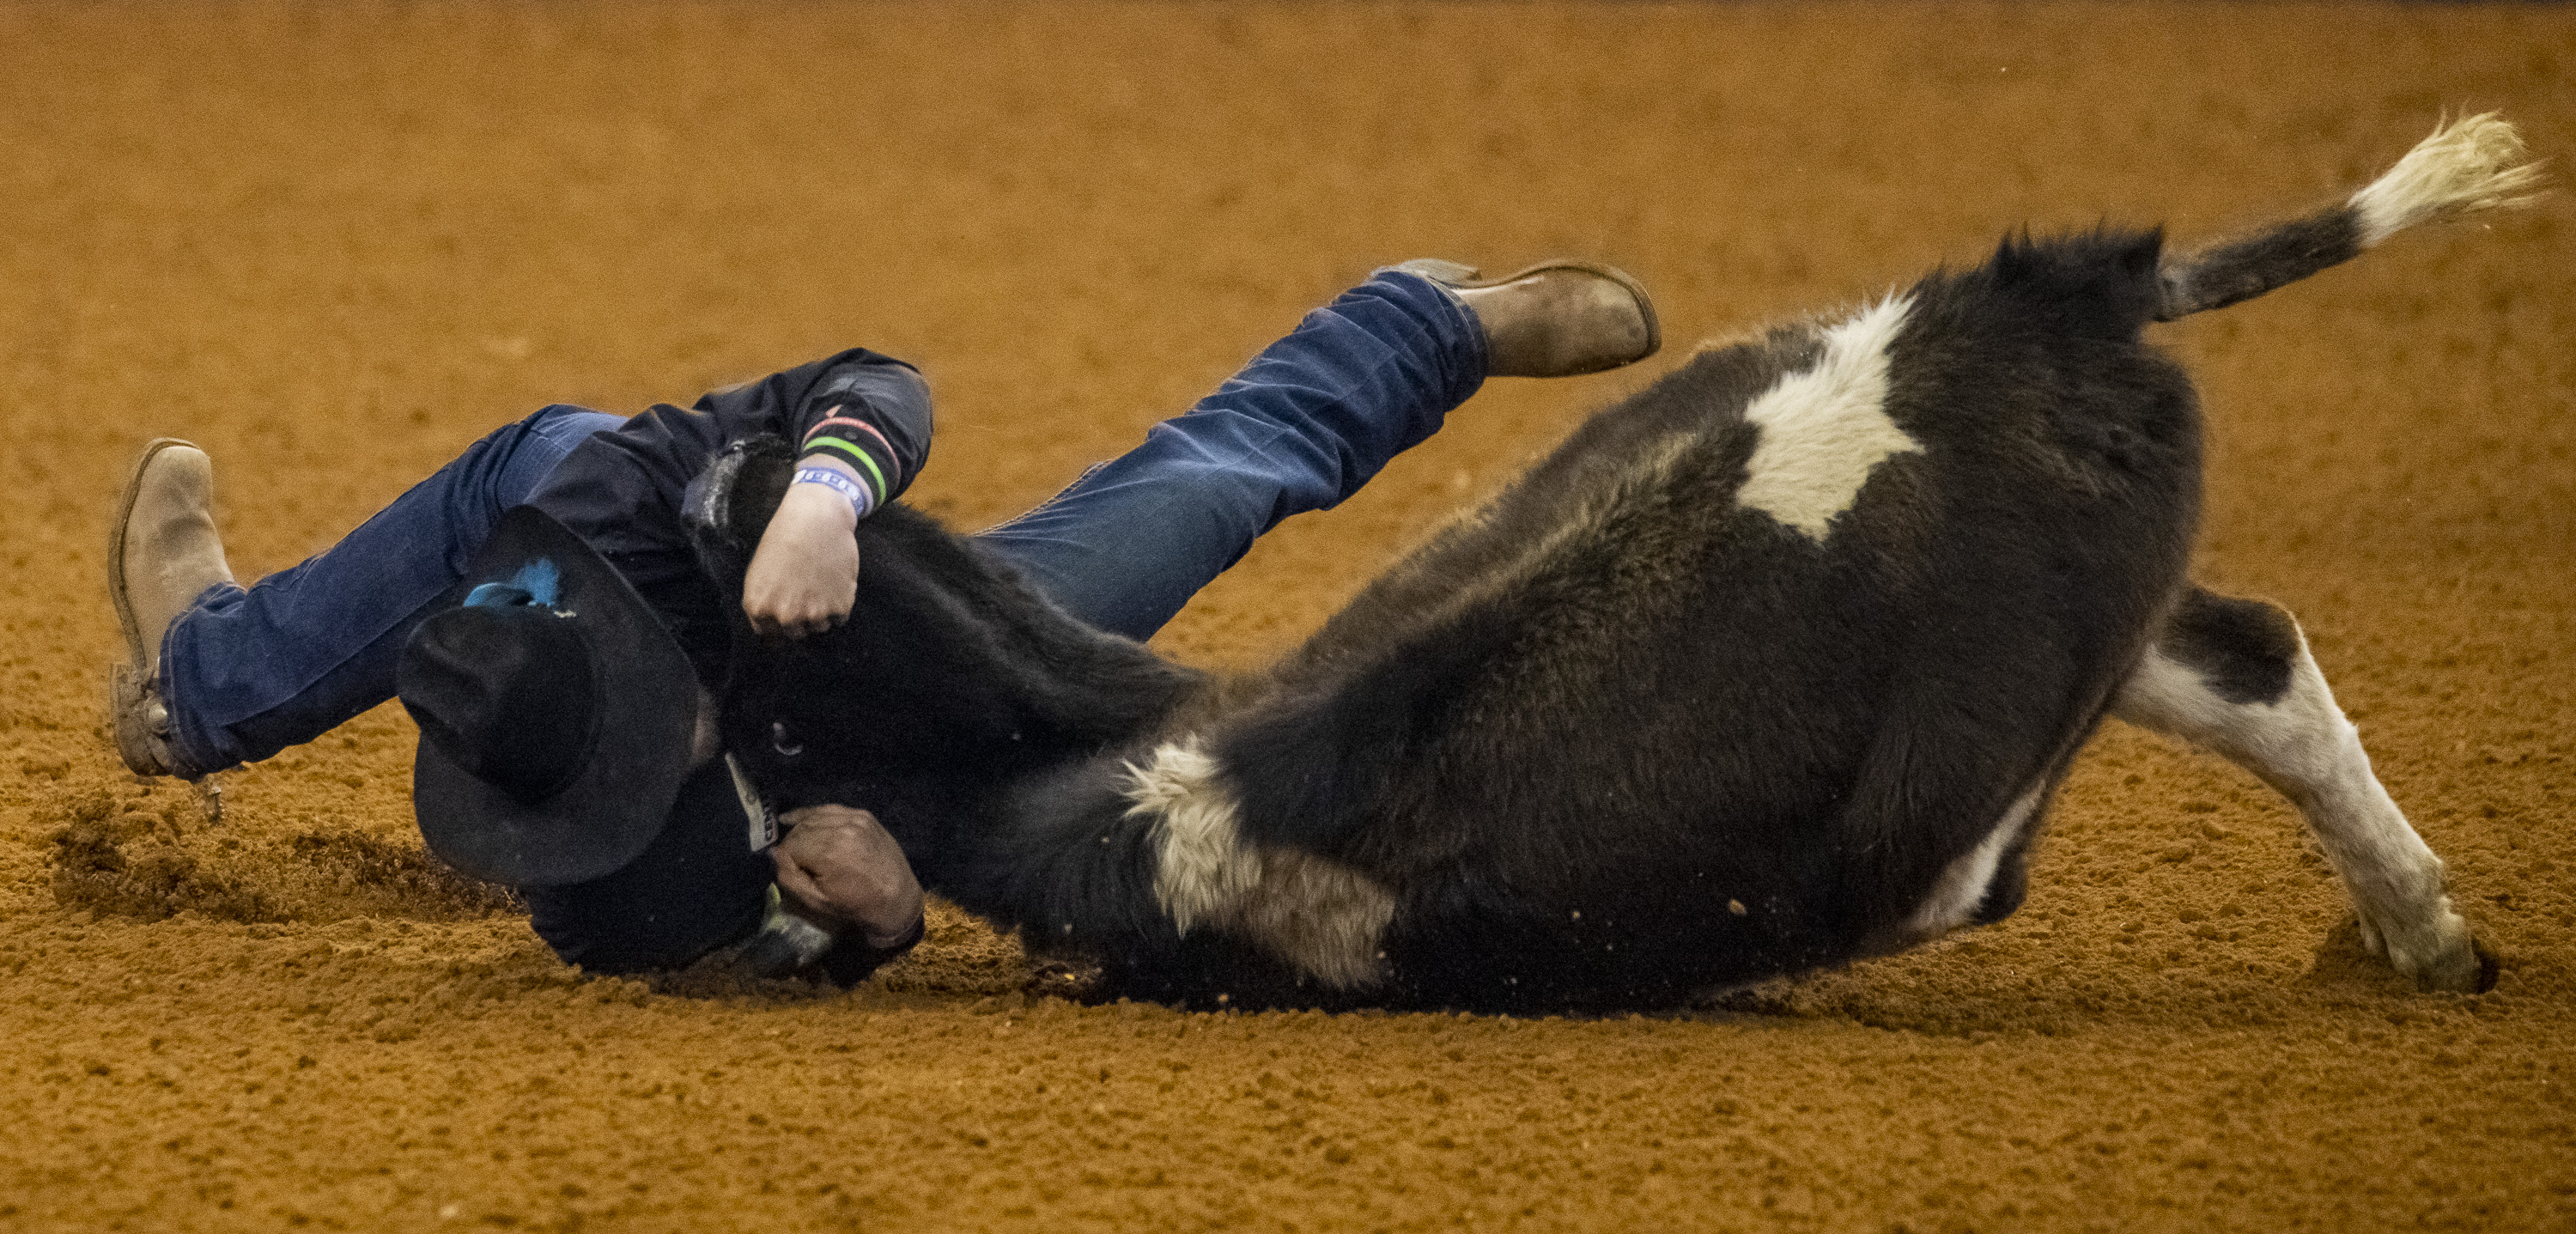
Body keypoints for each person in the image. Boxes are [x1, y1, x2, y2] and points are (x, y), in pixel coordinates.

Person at [105, 259, 1660, 981]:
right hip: (914, 741)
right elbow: (762, 944)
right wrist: (873, 923)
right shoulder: (599, 886)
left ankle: (1427, 318)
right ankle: (210, 678)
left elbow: (876, 382)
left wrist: (824, 498)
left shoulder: (629, 518)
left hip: (883, 614)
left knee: (1199, 490)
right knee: (1176, 716)